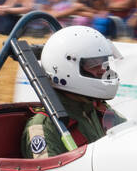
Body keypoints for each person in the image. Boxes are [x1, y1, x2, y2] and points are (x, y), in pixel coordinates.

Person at [21, 25, 126, 159]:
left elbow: (131, 140)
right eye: (93, 64)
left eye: (104, 63)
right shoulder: (43, 127)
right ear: (65, 69)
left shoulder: (98, 109)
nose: (103, 71)